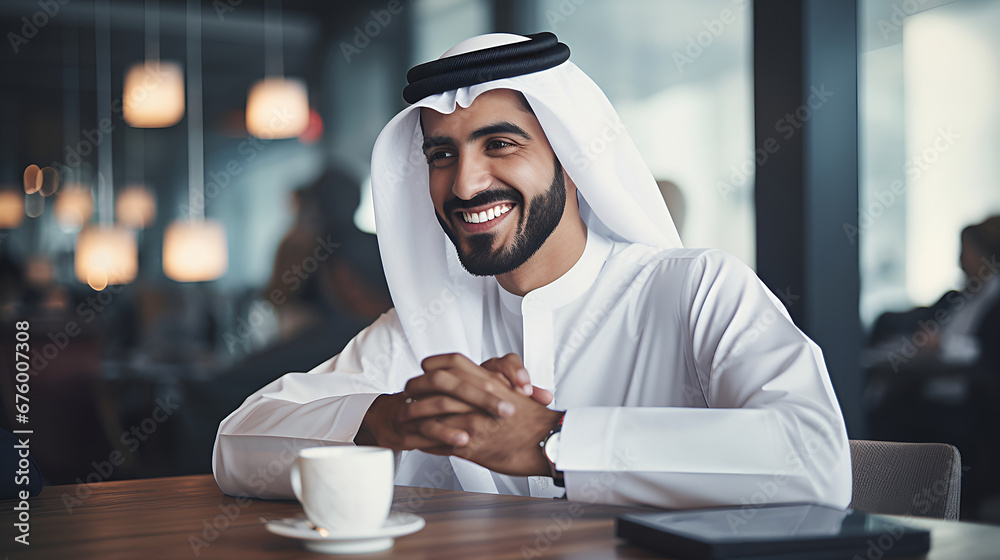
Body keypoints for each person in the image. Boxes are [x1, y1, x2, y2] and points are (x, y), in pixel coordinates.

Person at [213, 33, 851, 508]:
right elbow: (236, 448)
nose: (465, 182)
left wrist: (547, 440)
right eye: (442, 154)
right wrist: (389, 419)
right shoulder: (429, 326)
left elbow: (817, 461)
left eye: (500, 144)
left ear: (572, 160)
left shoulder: (696, 289)